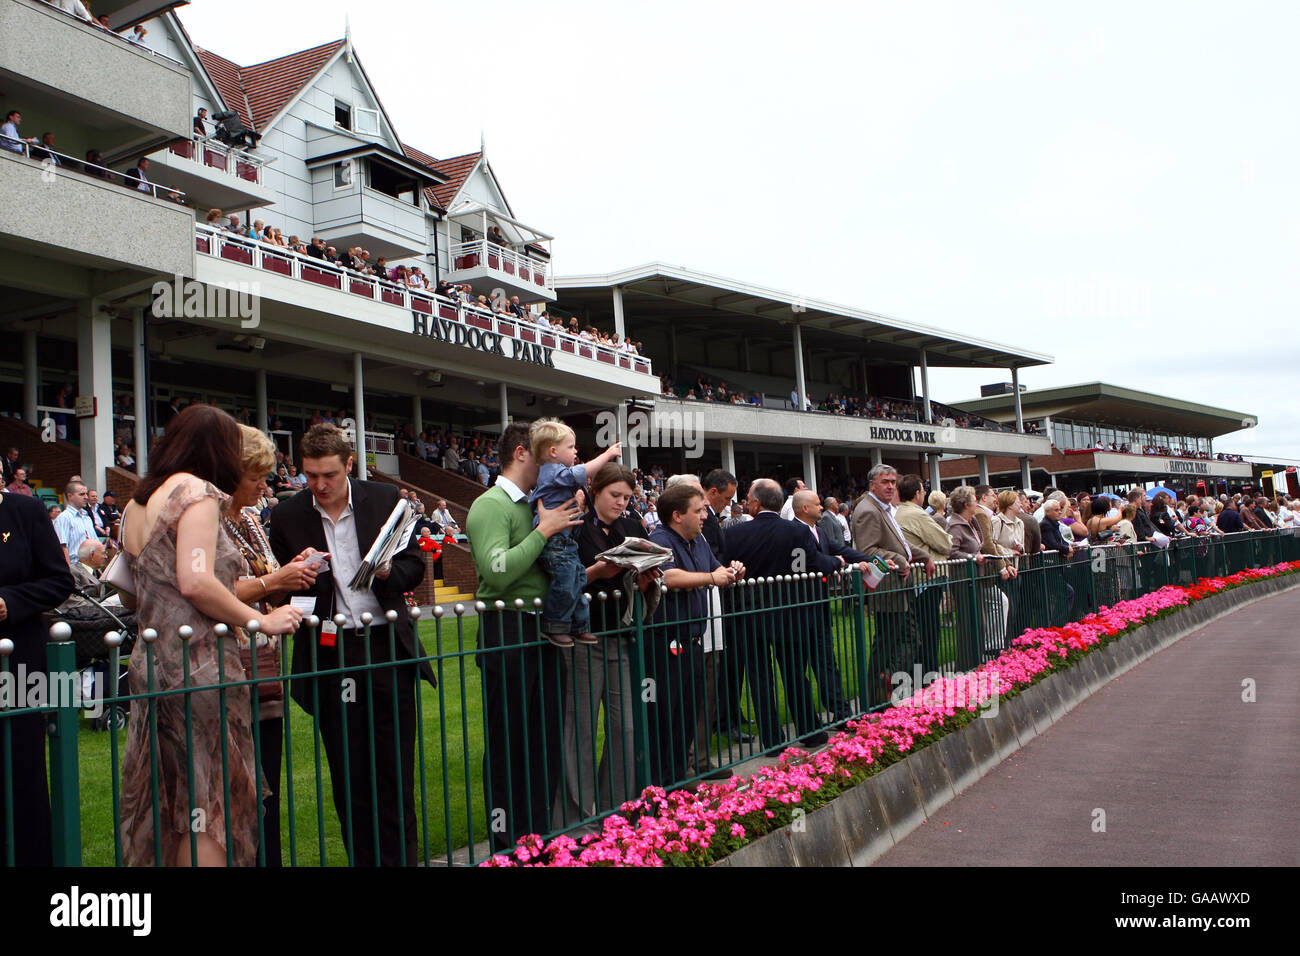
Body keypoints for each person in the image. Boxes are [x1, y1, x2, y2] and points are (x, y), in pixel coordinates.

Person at [118, 405, 302, 866]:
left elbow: (128, 596)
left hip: (150, 660)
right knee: (208, 800)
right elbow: (196, 581)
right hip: (198, 664)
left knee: (174, 799)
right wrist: (259, 619)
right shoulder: (197, 492)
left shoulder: (138, 502)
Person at [267, 423, 434, 866]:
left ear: (349, 466)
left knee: (394, 771)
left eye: (329, 476)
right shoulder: (287, 516)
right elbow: (286, 597)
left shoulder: (384, 502)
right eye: (309, 476)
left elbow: (416, 565)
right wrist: (294, 578)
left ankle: (401, 860)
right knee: (348, 773)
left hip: (385, 647)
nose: (319, 485)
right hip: (329, 650)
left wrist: (386, 571)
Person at [466, 422, 583, 852]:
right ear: (522, 453)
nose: (559, 461)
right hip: (507, 627)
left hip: (546, 627)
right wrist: (544, 530)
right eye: (548, 453)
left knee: (545, 738)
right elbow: (497, 574)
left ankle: (539, 837)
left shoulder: (541, 500)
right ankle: (506, 844)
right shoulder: (490, 505)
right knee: (509, 740)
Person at [224, 426, 322, 866]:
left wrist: (290, 572)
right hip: (224, 669)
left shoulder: (247, 518)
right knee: (230, 791)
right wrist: (274, 580)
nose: (266, 486)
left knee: (267, 783)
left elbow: (268, 582)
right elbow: (208, 589)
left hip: (263, 669)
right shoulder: (205, 519)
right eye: (256, 478)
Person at [553, 463, 661, 828]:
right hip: (586, 636)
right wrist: (600, 570)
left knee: (625, 728)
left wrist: (645, 580)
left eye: (627, 497)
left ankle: (617, 811)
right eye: (615, 495)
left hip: (620, 633)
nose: (621, 502)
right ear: (595, 491)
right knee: (581, 728)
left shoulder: (630, 526)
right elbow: (567, 582)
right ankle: (578, 819)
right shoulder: (576, 528)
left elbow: (637, 576)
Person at [647, 482, 745, 779]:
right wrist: (712, 577)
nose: (705, 516)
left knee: (688, 714)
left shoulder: (699, 539)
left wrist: (732, 570)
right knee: (666, 716)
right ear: (678, 515)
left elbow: (715, 568)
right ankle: (663, 783)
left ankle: (680, 776)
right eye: (699, 510)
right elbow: (670, 576)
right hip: (666, 642)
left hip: (693, 639)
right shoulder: (660, 538)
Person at [0, 484, 76, 866]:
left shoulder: (25, 512)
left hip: (17, 666)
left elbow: (60, 581)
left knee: (21, 766)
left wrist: (9, 603)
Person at [526, 418, 622, 647]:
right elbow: (583, 471)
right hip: (555, 541)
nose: (575, 451)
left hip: (566, 540)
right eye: (570, 447)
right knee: (567, 578)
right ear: (552, 451)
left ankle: (577, 626)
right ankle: (554, 625)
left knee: (577, 578)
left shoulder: (556, 472)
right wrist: (607, 454)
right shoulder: (550, 471)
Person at [851, 465, 931, 706]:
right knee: (888, 643)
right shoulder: (868, 510)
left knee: (905, 639)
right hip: (887, 588)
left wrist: (922, 556)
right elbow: (867, 551)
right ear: (872, 484)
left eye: (893, 482)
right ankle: (878, 692)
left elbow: (900, 543)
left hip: (898, 586)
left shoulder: (882, 508)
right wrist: (900, 560)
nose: (890, 486)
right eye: (885, 481)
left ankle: (887, 685)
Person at [793, 489, 873, 722]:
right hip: (800, 608)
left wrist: (870, 560)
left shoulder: (818, 531)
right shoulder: (794, 532)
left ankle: (841, 713)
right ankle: (811, 720)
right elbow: (811, 562)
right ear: (805, 508)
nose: (822, 508)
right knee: (800, 667)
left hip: (820, 605)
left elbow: (842, 549)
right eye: (818, 504)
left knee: (827, 660)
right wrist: (837, 563)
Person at [51, 480, 96, 565]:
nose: (86, 497)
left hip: (91, 567)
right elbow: (62, 548)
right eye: (82, 494)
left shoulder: (87, 518)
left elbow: (95, 543)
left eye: (86, 494)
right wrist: (70, 573)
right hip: (75, 568)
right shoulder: (64, 518)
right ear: (70, 496)